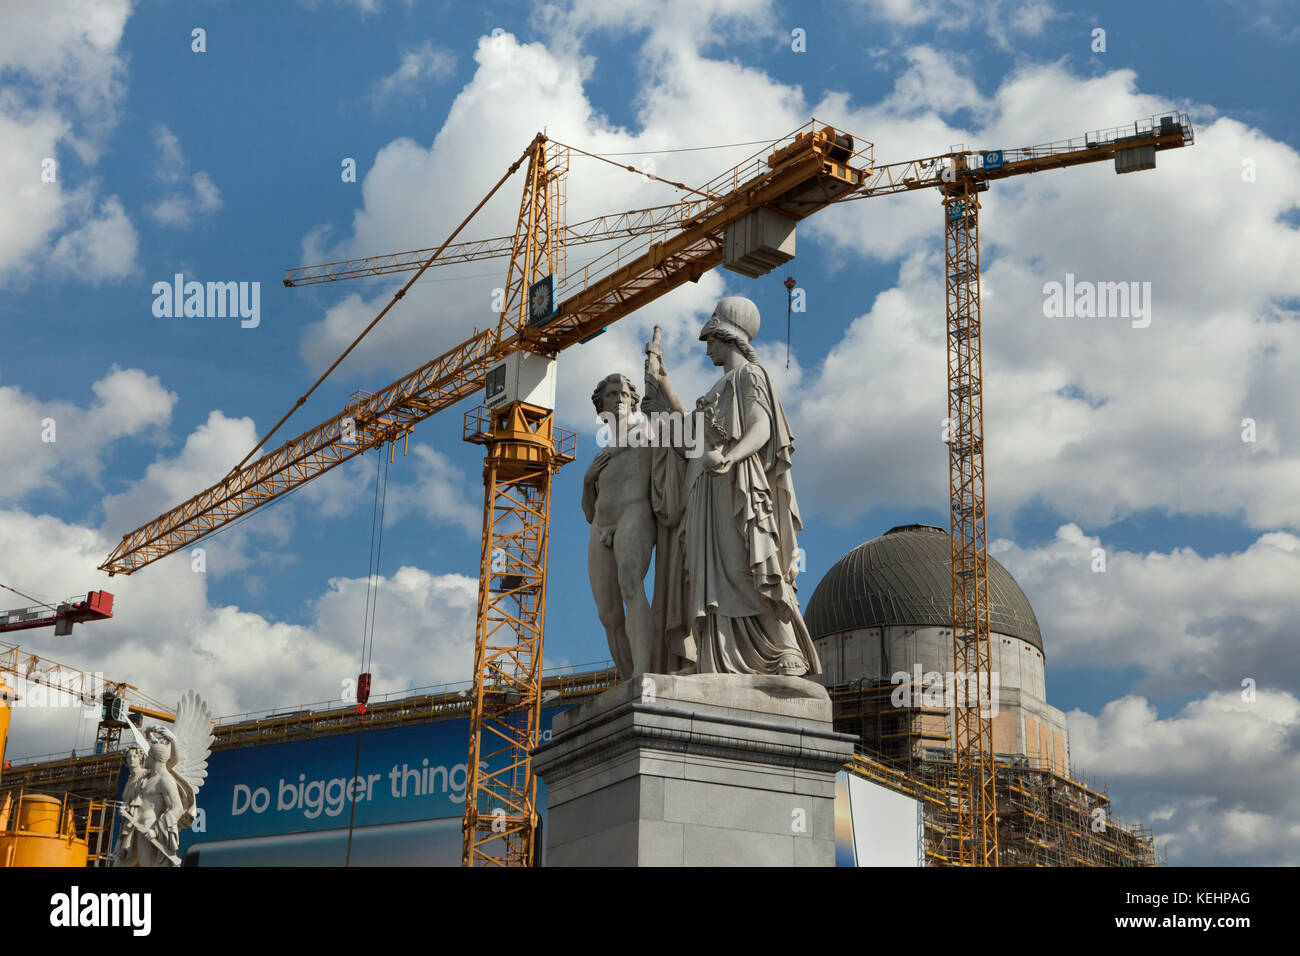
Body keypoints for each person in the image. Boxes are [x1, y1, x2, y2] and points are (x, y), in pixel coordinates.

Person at [643, 297, 820, 677]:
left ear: (728, 337)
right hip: (704, 488)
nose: (707, 349)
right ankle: (714, 657)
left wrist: (730, 456)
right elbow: (692, 434)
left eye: (711, 340)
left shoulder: (749, 376)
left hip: (734, 482)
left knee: (748, 563)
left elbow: (762, 428)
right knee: (706, 577)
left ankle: (784, 647)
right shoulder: (717, 387)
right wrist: (662, 384)